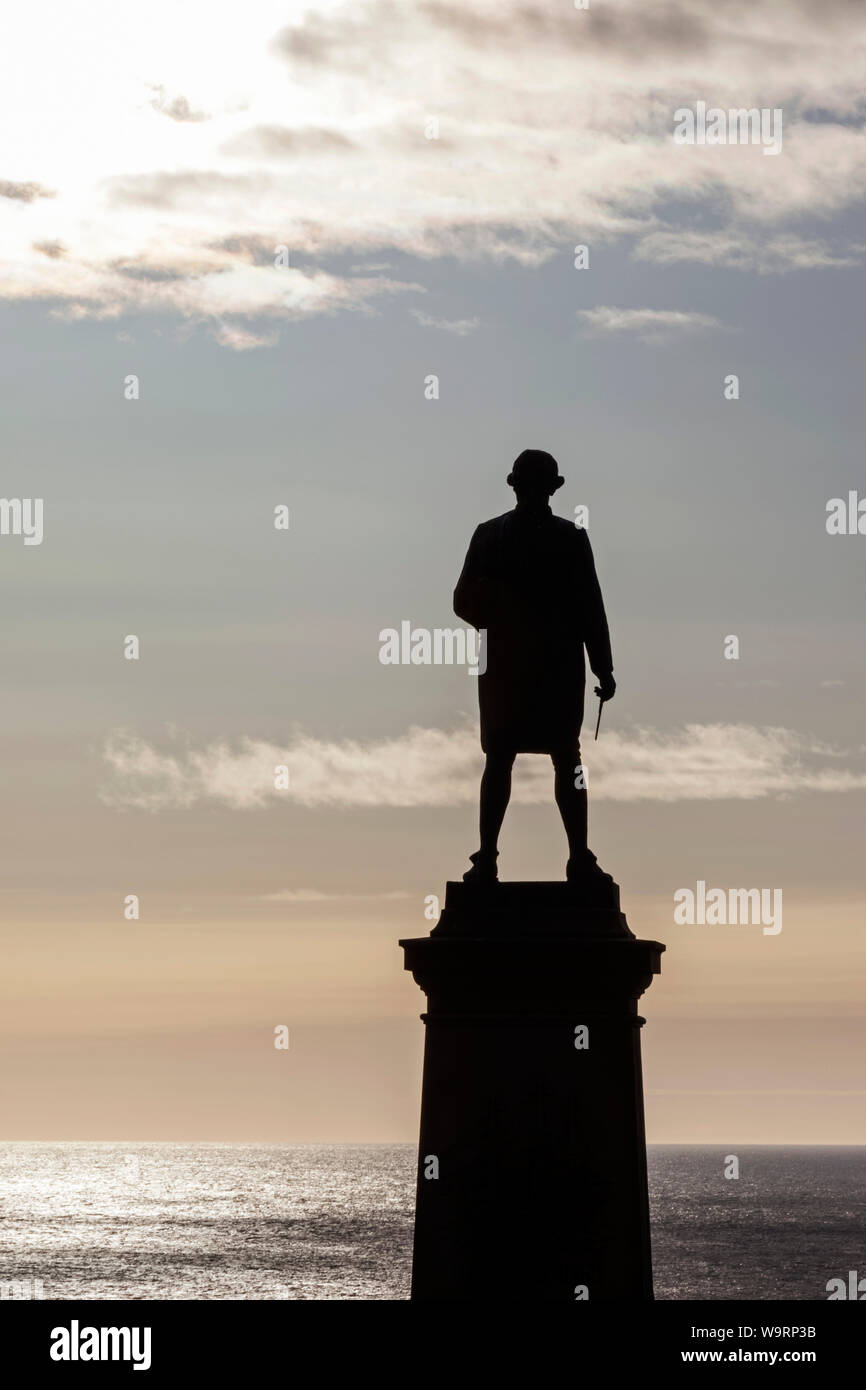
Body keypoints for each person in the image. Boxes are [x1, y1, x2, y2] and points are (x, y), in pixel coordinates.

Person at [453, 449, 616, 884]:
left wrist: (603, 665)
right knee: (503, 759)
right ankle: (487, 856)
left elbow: (589, 605)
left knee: (564, 759)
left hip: (552, 668)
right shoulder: (488, 536)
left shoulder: (569, 538)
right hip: (509, 668)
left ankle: (576, 856)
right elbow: (463, 599)